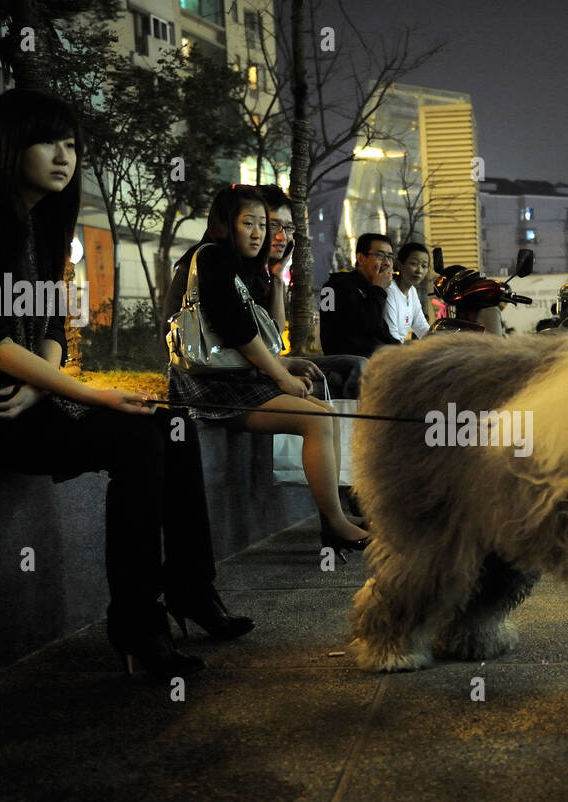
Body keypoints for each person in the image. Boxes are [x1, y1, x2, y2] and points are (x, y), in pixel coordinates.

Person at [0, 88, 249, 681]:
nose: (63, 156)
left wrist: (46, 385)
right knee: (136, 440)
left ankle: (191, 591)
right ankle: (136, 623)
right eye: (47, 142)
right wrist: (88, 394)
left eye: (71, 145)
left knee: (171, 426)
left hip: (24, 396)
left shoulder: (42, 223)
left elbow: (50, 330)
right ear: (8, 146)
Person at [165, 185, 369, 559]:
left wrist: (277, 279)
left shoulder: (238, 266)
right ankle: (336, 523)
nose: (261, 233)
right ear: (222, 224)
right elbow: (239, 333)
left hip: (229, 377)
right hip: (207, 385)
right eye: (250, 223)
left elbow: (268, 336)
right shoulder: (210, 259)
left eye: (263, 224)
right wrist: (281, 376)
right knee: (317, 420)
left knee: (326, 413)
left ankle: (337, 518)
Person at [255, 184, 367, 397]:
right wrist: (283, 367)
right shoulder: (234, 272)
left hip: (272, 362)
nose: (282, 237)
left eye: (288, 228)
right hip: (253, 372)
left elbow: (275, 338)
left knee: (356, 366)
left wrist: (278, 279)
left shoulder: (266, 274)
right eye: (274, 226)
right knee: (339, 377)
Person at [318, 233, 401, 358]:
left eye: (389, 257)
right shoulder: (337, 285)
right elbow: (367, 327)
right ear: (361, 258)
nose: (387, 263)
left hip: (374, 358)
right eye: (380, 255)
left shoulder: (370, 288)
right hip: (350, 362)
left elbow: (382, 333)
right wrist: (378, 289)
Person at [385, 242, 433, 342]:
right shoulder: (389, 291)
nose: (419, 271)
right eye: (414, 264)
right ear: (400, 264)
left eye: (424, 266)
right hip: (386, 352)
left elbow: (422, 327)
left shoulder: (412, 292)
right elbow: (391, 335)